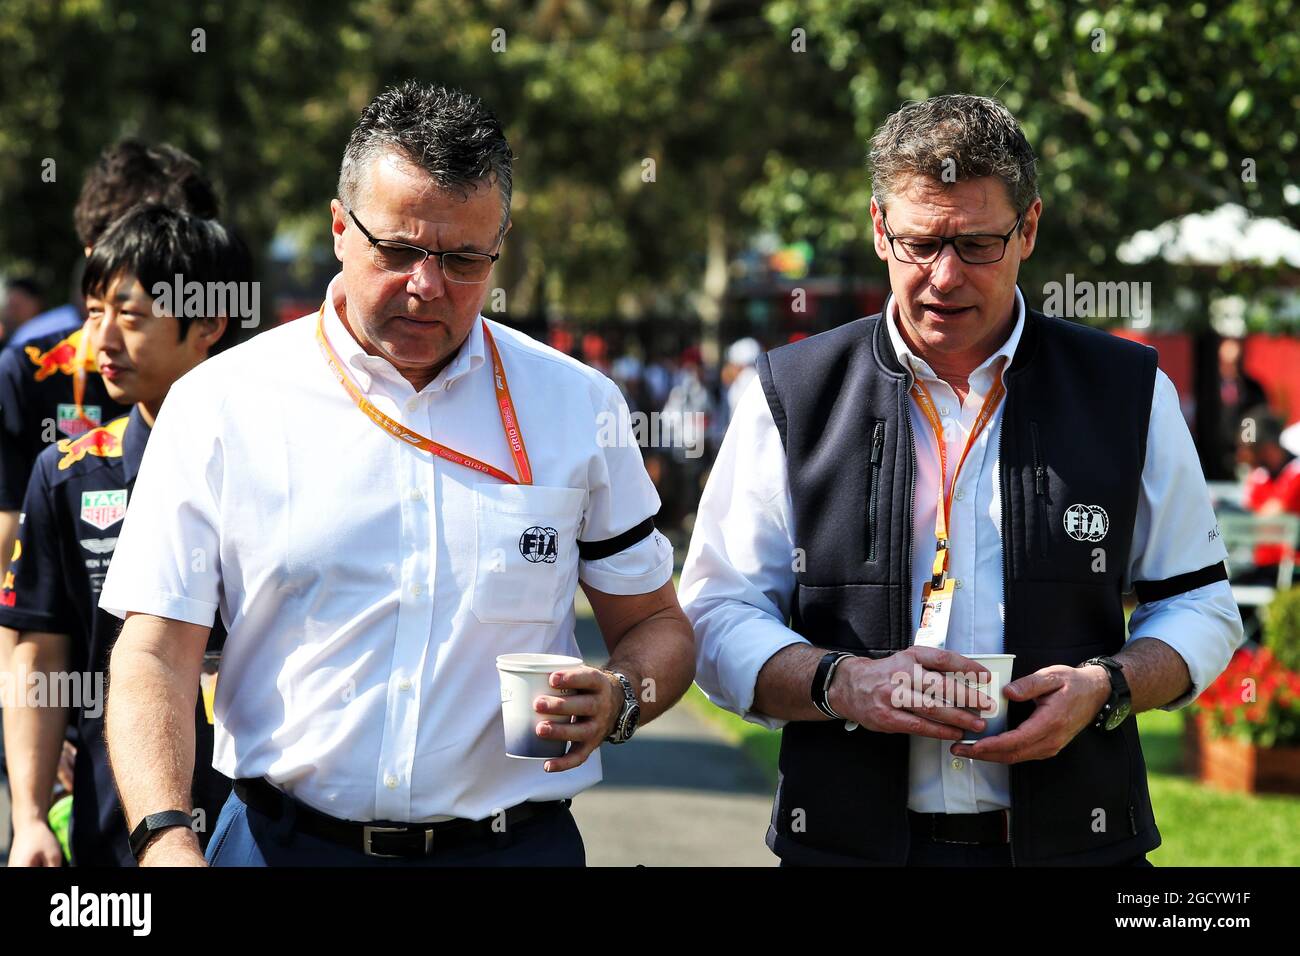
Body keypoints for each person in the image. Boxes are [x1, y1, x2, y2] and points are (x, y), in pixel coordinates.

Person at [100, 81, 696, 867]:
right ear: (341, 228)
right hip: (283, 845)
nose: (427, 286)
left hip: (511, 848)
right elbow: (153, 652)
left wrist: (619, 698)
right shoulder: (221, 403)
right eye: (399, 250)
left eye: (462, 259)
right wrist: (164, 835)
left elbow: (659, 627)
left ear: (500, 247)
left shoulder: (574, 404)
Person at [680, 94, 1244, 866]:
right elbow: (715, 612)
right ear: (879, 230)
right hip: (849, 849)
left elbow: (1200, 601)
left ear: (1030, 230)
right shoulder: (793, 391)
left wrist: (1105, 688)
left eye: (978, 244)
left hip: (1074, 849)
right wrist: (842, 684)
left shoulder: (1124, 389)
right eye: (920, 243)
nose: (945, 277)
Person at [0, 205, 247, 866]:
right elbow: (38, 656)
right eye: (92, 313)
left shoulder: (281, 467)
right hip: (115, 836)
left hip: (267, 832)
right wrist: (27, 817)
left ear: (209, 323)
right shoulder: (68, 474)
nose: (101, 340)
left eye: (130, 317)